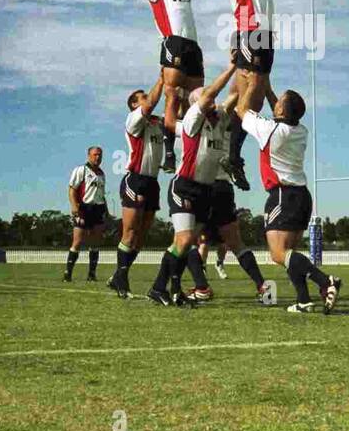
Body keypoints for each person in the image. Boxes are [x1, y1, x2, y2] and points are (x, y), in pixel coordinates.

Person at [232, 62, 339, 314]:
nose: (275, 102)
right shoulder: (300, 130)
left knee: (279, 255)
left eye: (279, 101)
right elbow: (279, 113)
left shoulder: (270, 130)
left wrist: (251, 86)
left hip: (282, 195)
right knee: (290, 254)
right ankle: (303, 300)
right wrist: (268, 89)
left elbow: (241, 109)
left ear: (281, 109)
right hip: (302, 196)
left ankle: (325, 282)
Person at [146, 63, 238, 306]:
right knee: (185, 240)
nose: (214, 103)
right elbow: (210, 95)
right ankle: (160, 287)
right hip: (185, 186)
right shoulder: (192, 118)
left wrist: (247, 71)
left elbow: (235, 97)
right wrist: (232, 66)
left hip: (205, 191)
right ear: (201, 105)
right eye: (209, 101)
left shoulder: (217, 123)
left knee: (184, 245)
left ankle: (168, 289)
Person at [126, 0, 203, 174]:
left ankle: (192, 153)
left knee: (195, 101)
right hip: (173, 43)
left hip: (193, 47)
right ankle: (169, 153)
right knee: (171, 97)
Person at [222, 0, 287, 190]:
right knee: (253, 98)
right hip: (251, 33)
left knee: (253, 100)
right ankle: (232, 154)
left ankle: (230, 144)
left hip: (265, 37)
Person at [185, 100, 272, 302]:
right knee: (236, 243)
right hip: (224, 188)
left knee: (185, 241)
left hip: (204, 186)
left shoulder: (198, 123)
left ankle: (201, 286)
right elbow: (242, 102)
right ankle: (262, 285)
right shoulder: (228, 123)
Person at [109, 76, 166, 298]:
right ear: (134, 105)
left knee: (141, 237)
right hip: (135, 179)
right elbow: (151, 102)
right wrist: (162, 80)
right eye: (141, 98)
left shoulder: (157, 122)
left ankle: (118, 275)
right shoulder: (133, 119)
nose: (146, 99)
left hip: (152, 181)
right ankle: (122, 279)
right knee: (130, 232)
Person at [67, 147, 107, 282]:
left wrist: (106, 211)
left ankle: (91, 275)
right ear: (89, 156)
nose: (98, 157)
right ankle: (68, 274)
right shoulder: (81, 170)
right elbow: (72, 190)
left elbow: (102, 195)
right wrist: (74, 207)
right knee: (77, 241)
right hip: (84, 208)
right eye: (95, 155)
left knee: (95, 243)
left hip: (98, 209)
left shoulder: (102, 174)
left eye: (100, 155)